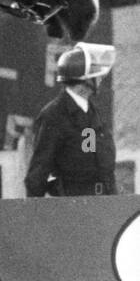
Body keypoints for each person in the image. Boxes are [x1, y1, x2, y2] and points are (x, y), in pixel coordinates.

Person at [25, 43, 118, 197]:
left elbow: (94, 156)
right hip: (72, 207)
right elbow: (37, 174)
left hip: (103, 203)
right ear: (84, 80)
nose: (101, 78)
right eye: (96, 75)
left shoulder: (91, 111)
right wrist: (36, 216)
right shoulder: (54, 115)